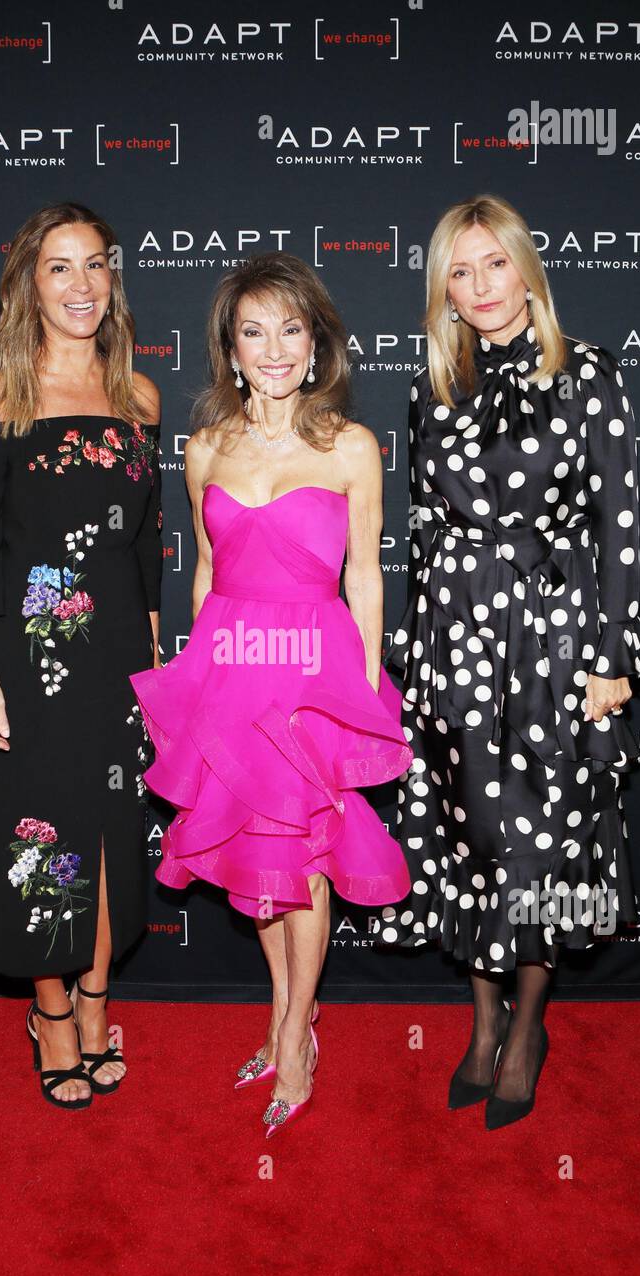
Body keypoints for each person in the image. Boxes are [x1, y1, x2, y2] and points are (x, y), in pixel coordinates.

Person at [375, 193, 640, 1129]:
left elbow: (622, 529)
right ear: (443, 294)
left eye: (494, 263)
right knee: (474, 838)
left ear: (526, 269)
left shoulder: (590, 375)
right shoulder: (432, 388)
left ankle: (528, 1028)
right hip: (456, 644)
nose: (480, 285)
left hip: (555, 644)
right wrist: (415, 653)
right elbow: (419, 534)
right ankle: (483, 1015)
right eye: (459, 271)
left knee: (544, 843)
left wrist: (614, 658)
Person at [129, 252, 413, 1137]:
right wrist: (196, 673)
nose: (275, 347)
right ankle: (287, 1007)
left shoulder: (351, 446)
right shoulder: (205, 444)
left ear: (316, 339)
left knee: (306, 855)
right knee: (257, 862)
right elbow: (206, 572)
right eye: (255, 330)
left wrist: (360, 688)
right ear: (231, 346)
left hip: (311, 670)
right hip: (231, 662)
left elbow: (366, 575)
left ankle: (296, 1033)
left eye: (291, 327)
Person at [0, 201, 163, 1110]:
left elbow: (153, 544)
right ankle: (49, 1015)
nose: (81, 285)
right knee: (42, 839)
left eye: (95, 265)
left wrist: (155, 648)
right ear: (28, 286)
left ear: (114, 278)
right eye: (59, 268)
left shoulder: (139, 396)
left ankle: (96, 1004)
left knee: (112, 841)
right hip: (33, 654)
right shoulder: (3, 391)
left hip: (117, 649)